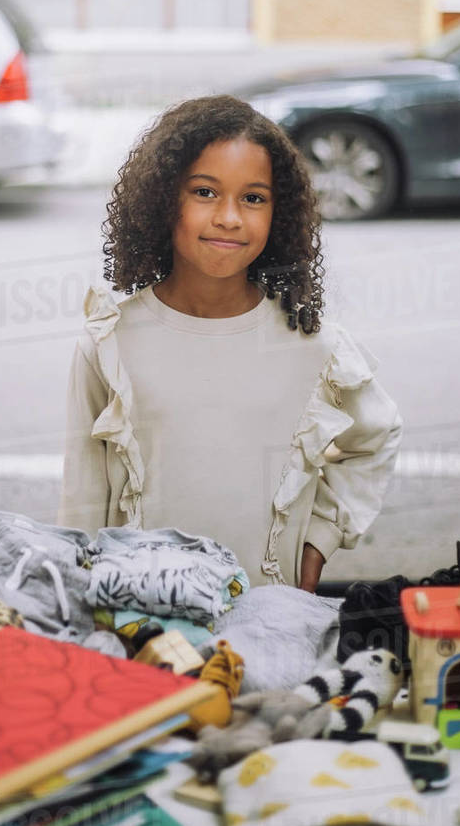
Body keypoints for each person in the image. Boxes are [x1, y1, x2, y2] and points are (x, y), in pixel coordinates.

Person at [58, 95, 401, 592]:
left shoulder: (312, 345)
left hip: (270, 617)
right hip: (141, 624)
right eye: (204, 192)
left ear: (279, 216)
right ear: (161, 200)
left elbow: (375, 437)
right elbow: (82, 503)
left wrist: (319, 540)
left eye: (254, 198)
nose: (229, 218)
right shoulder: (109, 345)